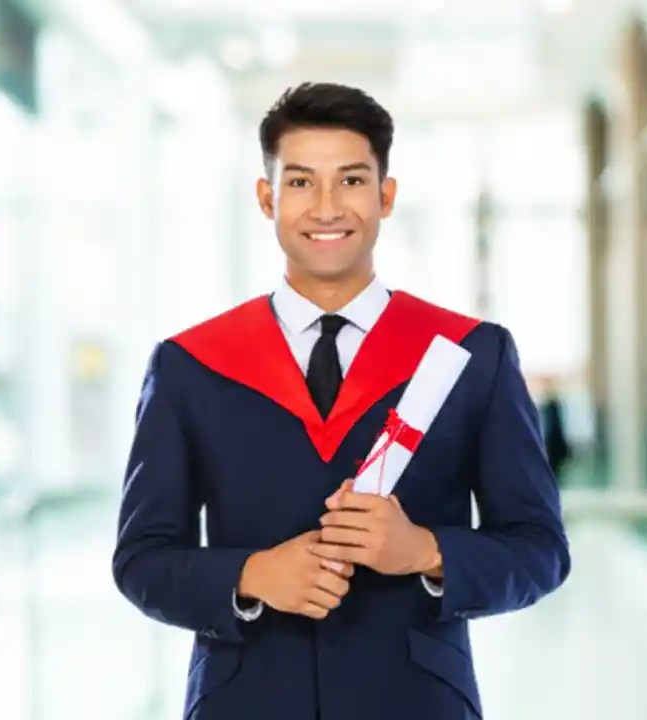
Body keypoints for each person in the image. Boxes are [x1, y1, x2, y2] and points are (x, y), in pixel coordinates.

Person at [111, 82, 571, 720]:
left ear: (386, 196)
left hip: (416, 703)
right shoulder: (191, 365)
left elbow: (540, 551)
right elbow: (142, 560)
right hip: (244, 702)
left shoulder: (470, 356)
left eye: (351, 180)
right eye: (300, 182)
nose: (327, 207)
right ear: (267, 198)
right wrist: (251, 576)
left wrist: (426, 551)